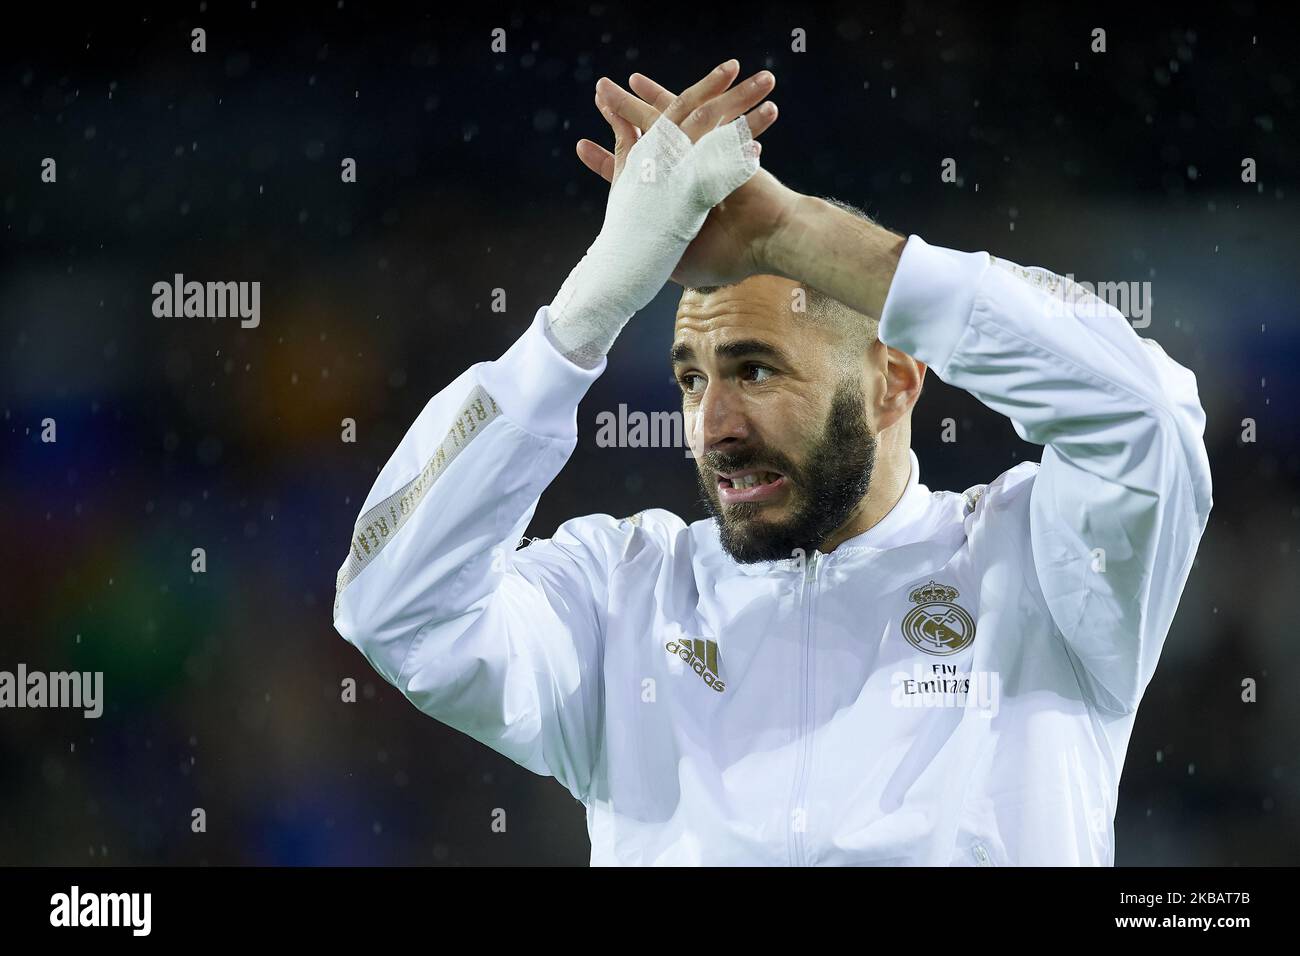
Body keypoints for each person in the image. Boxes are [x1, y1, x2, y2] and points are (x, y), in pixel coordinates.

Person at [333, 59, 1213, 865]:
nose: (712, 425)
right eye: (689, 377)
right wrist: (589, 305)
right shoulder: (623, 595)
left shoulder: (1038, 570)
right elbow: (394, 611)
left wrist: (792, 229)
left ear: (894, 384)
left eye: (754, 369)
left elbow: (1148, 419)